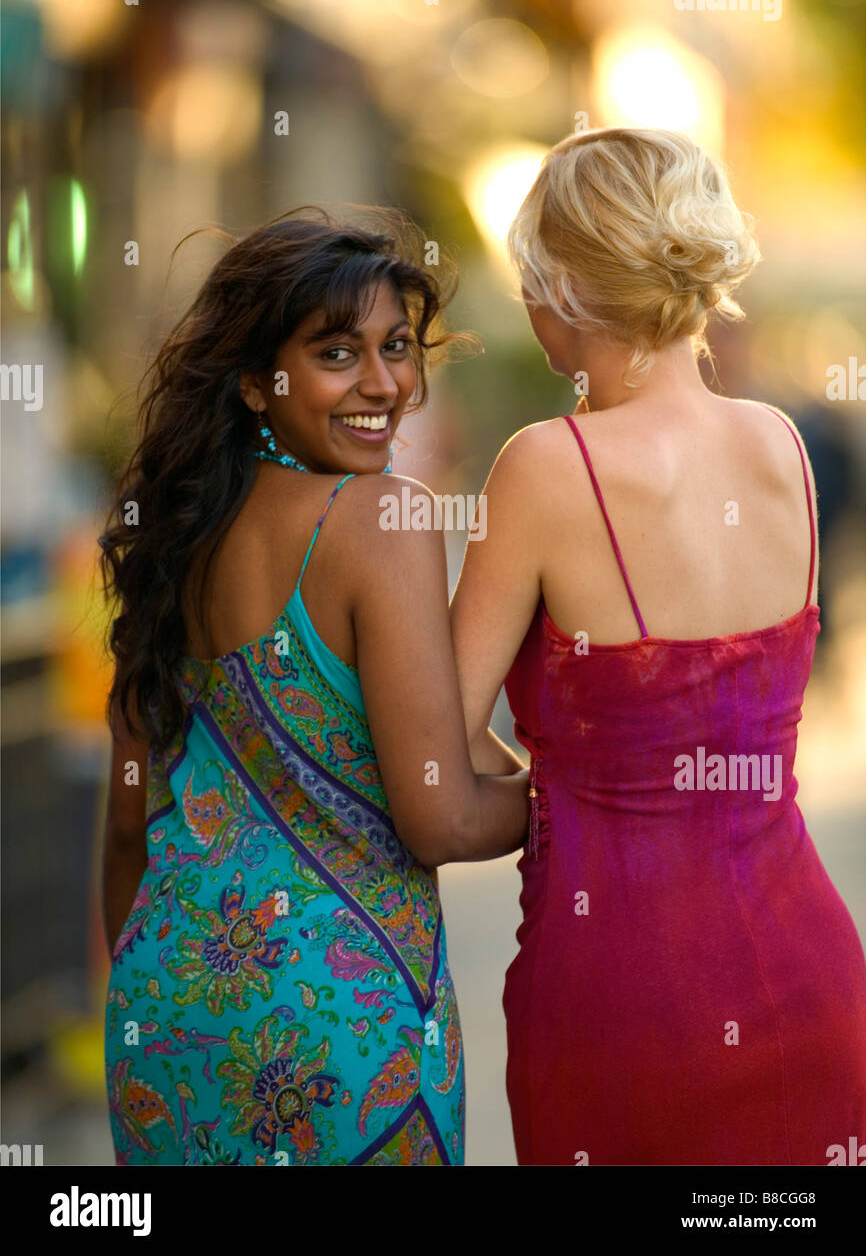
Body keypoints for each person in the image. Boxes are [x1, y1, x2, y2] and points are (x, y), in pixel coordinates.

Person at [449, 128, 866, 1165]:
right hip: (808, 971)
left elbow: (433, 742)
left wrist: (568, 791)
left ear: (565, 286)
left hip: (621, 991)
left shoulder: (544, 466)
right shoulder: (781, 447)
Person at [99, 207, 527, 1167]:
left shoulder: (172, 540)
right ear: (257, 381)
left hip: (166, 1020)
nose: (382, 384)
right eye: (338, 354)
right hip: (337, 1034)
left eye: (398, 348)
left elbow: (130, 828)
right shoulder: (378, 516)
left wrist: (152, 994)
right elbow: (442, 819)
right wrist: (593, 792)